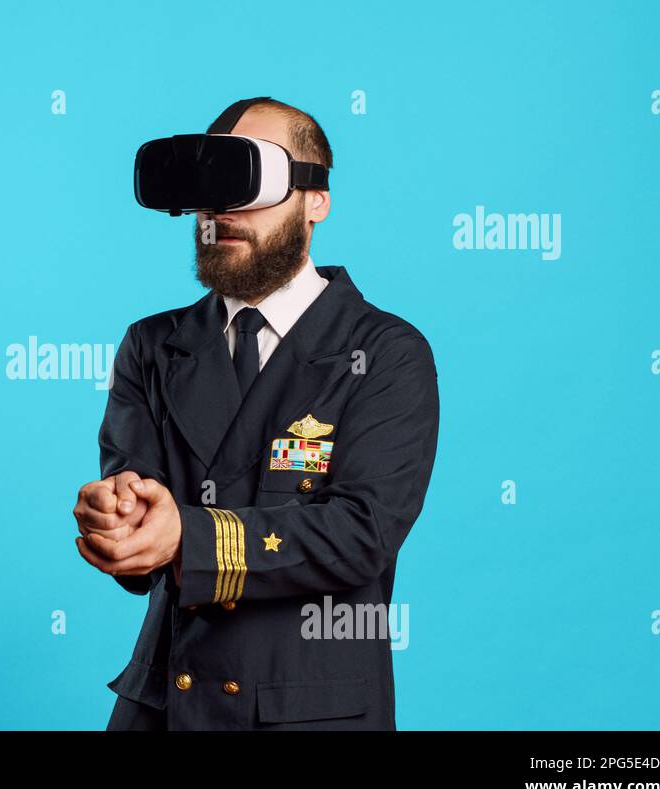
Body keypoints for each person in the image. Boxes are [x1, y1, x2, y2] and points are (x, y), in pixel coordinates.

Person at [73, 97, 440, 730]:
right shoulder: (152, 346)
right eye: (210, 186)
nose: (223, 211)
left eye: (250, 180)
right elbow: (140, 522)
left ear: (315, 200)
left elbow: (362, 534)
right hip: (165, 706)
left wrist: (186, 535)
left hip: (305, 712)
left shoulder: (385, 352)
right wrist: (120, 521)